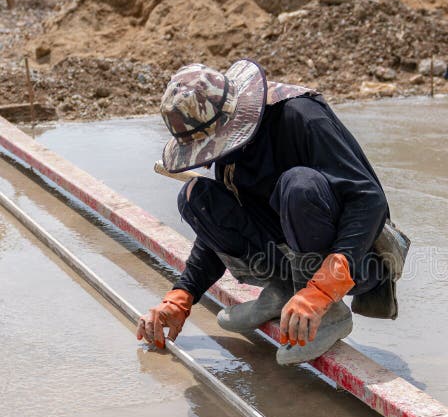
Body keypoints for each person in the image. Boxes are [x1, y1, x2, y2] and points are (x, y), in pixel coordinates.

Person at [135, 59, 409, 365]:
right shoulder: (235, 150)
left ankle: (329, 312)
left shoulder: (300, 117)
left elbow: (368, 200)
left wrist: (324, 288)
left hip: (357, 259)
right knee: (195, 196)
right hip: (290, 258)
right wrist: (182, 295)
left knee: (299, 186)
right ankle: (283, 291)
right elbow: (227, 222)